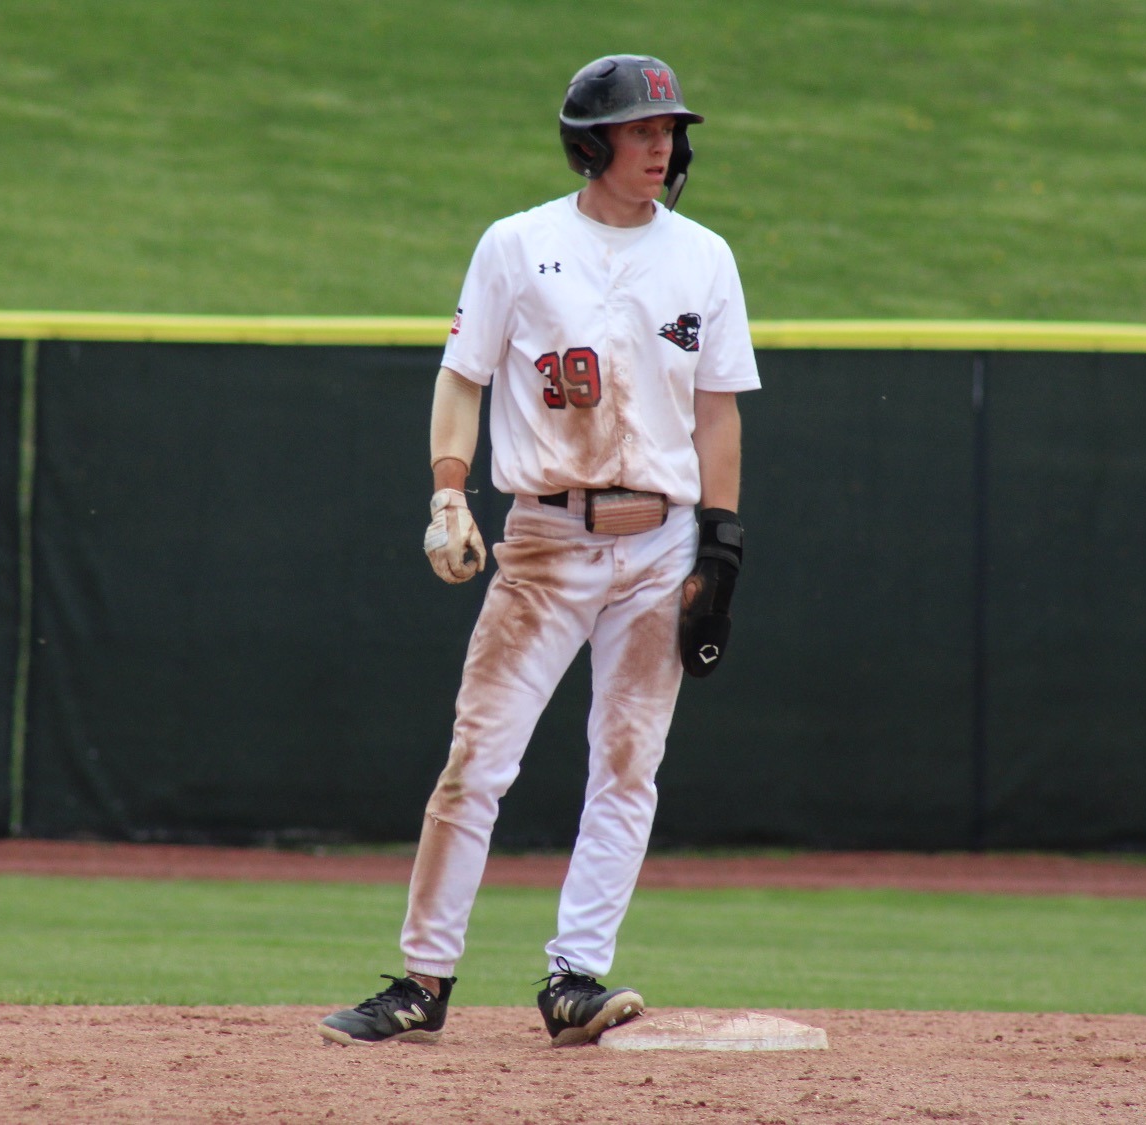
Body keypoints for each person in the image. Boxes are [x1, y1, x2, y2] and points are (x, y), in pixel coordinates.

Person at [318, 53, 760, 1047]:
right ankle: (422, 981)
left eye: (669, 131)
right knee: (477, 761)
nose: (663, 145)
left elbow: (718, 415)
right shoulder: (517, 245)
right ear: (590, 141)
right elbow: (462, 375)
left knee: (626, 762)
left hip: (658, 544)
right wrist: (445, 490)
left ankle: (575, 977)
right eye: (643, 130)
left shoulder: (704, 256)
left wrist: (719, 551)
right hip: (544, 540)